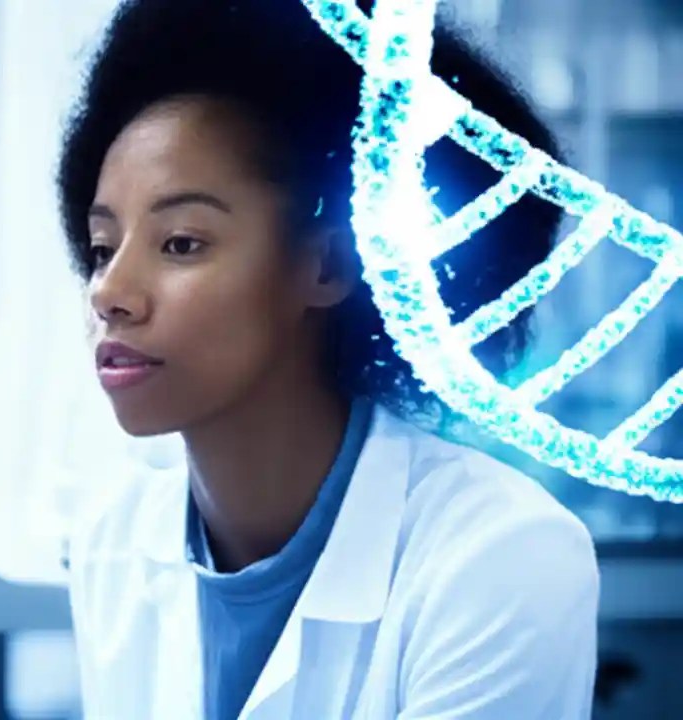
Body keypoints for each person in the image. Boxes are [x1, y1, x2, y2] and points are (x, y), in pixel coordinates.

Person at [56, 0, 599, 718]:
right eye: (101, 249)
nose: (110, 293)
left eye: (180, 242)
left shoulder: (502, 556)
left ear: (328, 266)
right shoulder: (113, 541)